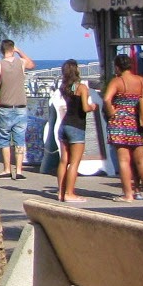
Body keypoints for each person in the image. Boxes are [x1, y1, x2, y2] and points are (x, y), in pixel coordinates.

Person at [103, 53, 143, 201]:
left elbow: (106, 99)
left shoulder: (117, 81)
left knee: (124, 160)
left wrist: (112, 112)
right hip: (137, 122)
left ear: (117, 67)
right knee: (140, 160)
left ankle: (128, 194)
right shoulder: (140, 80)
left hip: (120, 123)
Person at [0, 39, 35, 179]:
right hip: (21, 106)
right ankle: (19, 171)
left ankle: (7, 169)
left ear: (1, 50)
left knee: (4, 139)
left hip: (5, 107)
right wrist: (19, 51)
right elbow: (32, 64)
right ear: (12, 48)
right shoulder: (21, 63)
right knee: (19, 140)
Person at [56, 60, 94, 203]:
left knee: (63, 160)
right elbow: (84, 108)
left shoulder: (65, 87)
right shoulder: (82, 87)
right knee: (74, 163)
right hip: (76, 126)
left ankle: (60, 192)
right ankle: (69, 193)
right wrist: (92, 106)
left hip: (64, 125)